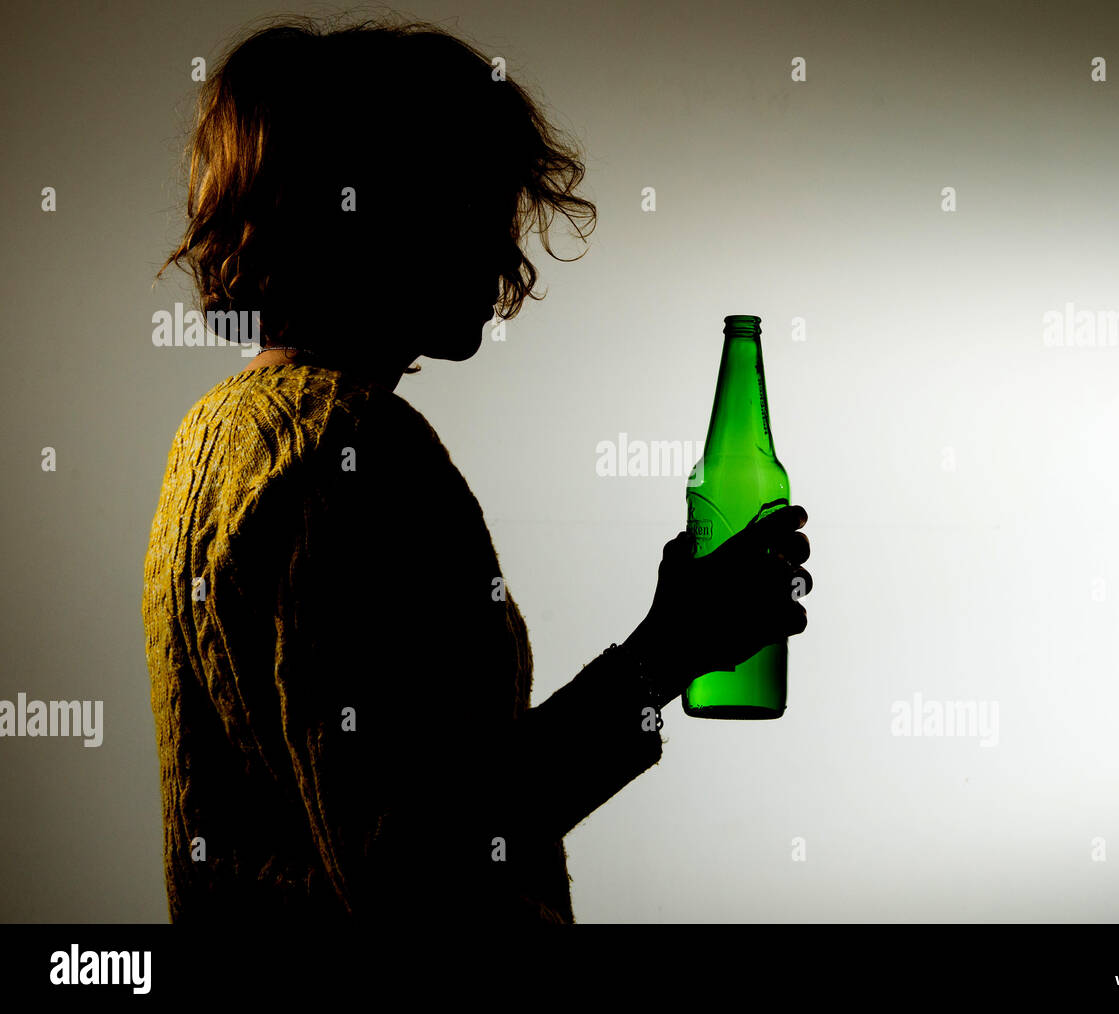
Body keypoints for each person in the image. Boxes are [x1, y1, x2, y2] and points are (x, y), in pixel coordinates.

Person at [142, 16, 812, 924]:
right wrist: (663, 659)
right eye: (476, 202)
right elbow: (414, 869)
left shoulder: (211, 436)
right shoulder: (352, 454)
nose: (507, 249)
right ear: (383, 210)